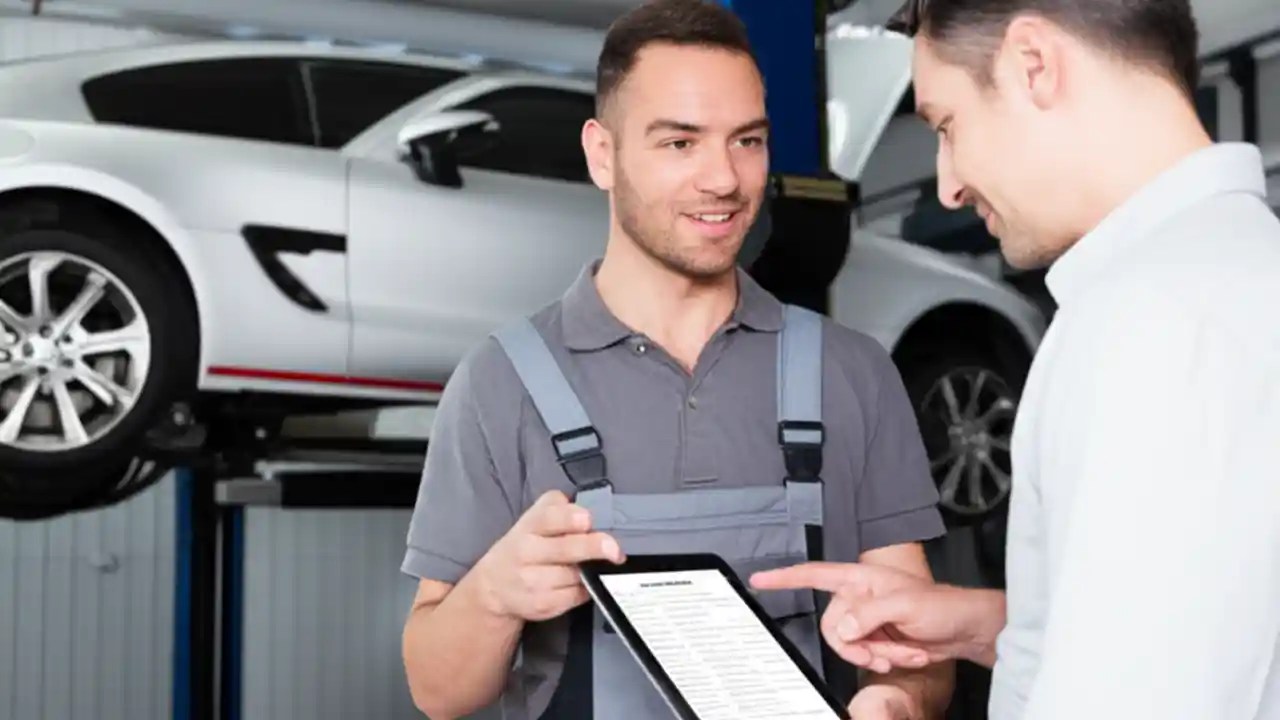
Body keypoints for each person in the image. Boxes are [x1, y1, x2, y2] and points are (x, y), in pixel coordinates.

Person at [399, 1, 957, 718]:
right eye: (679, 143)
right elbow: (439, 694)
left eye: (747, 141)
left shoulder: (850, 373)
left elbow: (919, 649)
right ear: (603, 153)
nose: (723, 179)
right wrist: (494, 594)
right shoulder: (500, 384)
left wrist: (899, 705)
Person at [753, 0, 1280, 717]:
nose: (948, 184)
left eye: (947, 125)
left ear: (1034, 64)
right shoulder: (1224, 276)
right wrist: (991, 623)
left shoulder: (1159, 324)